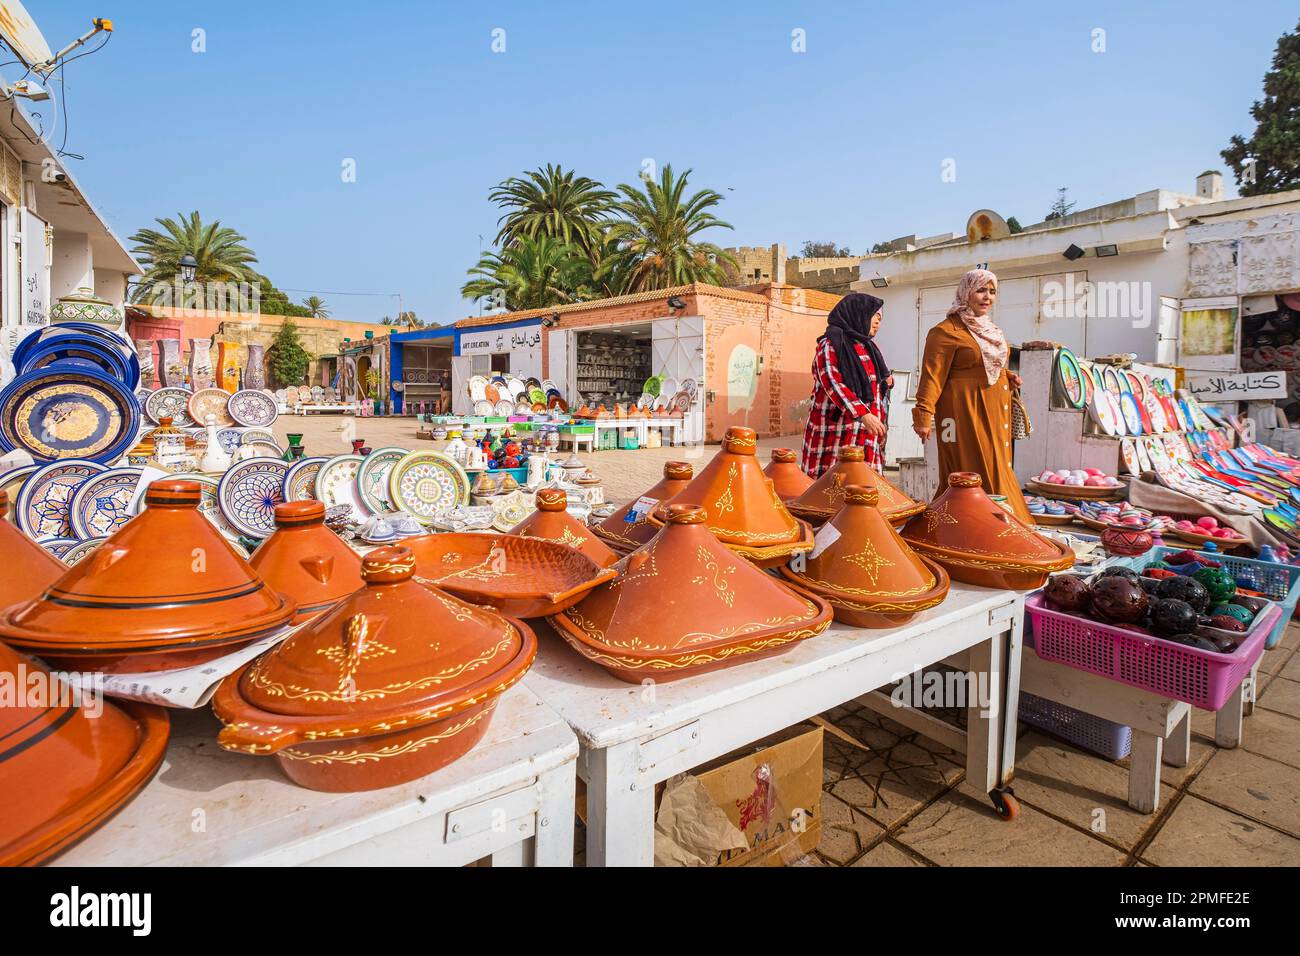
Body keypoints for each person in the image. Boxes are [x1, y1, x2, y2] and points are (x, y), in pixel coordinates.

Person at [912, 268, 1031, 521]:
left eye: (992, 291)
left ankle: (995, 523)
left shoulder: (992, 330)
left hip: (995, 411)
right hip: (960, 414)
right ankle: (974, 524)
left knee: (997, 465)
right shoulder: (945, 332)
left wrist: (1007, 376)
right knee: (966, 469)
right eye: (980, 290)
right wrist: (923, 414)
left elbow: (987, 366)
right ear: (966, 292)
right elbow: (932, 375)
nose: (987, 297)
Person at [801, 292, 893, 478]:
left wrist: (886, 382)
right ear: (857, 313)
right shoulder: (831, 345)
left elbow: (874, 384)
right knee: (828, 489)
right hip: (834, 433)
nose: (877, 322)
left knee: (863, 489)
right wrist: (863, 414)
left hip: (864, 434)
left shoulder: (870, 348)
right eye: (873, 316)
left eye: (880, 318)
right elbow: (833, 383)